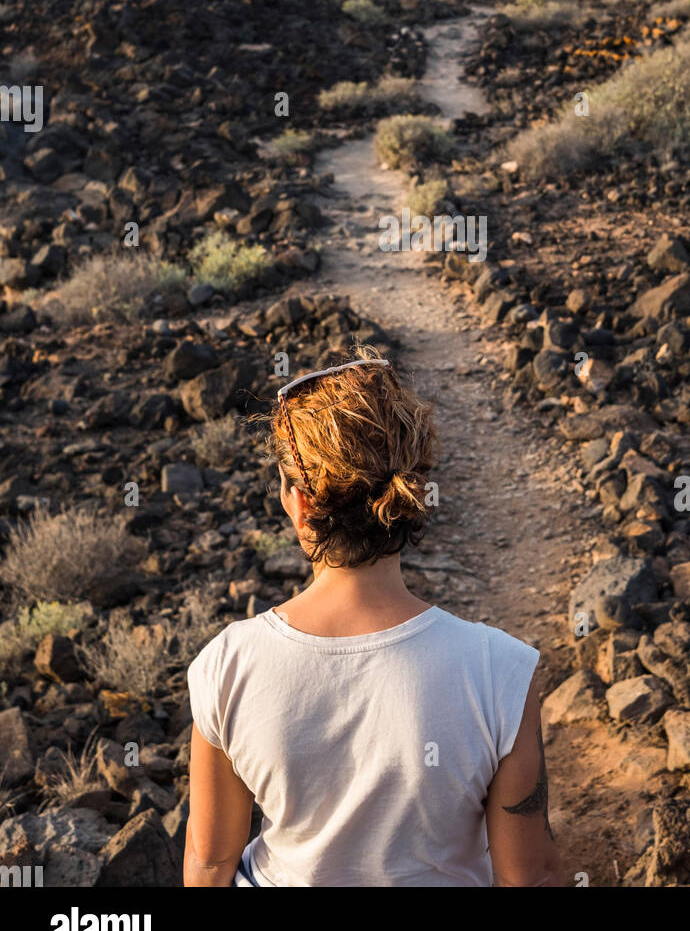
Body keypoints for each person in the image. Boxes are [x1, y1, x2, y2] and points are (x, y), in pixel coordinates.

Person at [184, 352, 564, 888]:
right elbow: (530, 877)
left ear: (298, 502)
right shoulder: (499, 671)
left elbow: (209, 864)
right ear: (411, 494)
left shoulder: (228, 665)